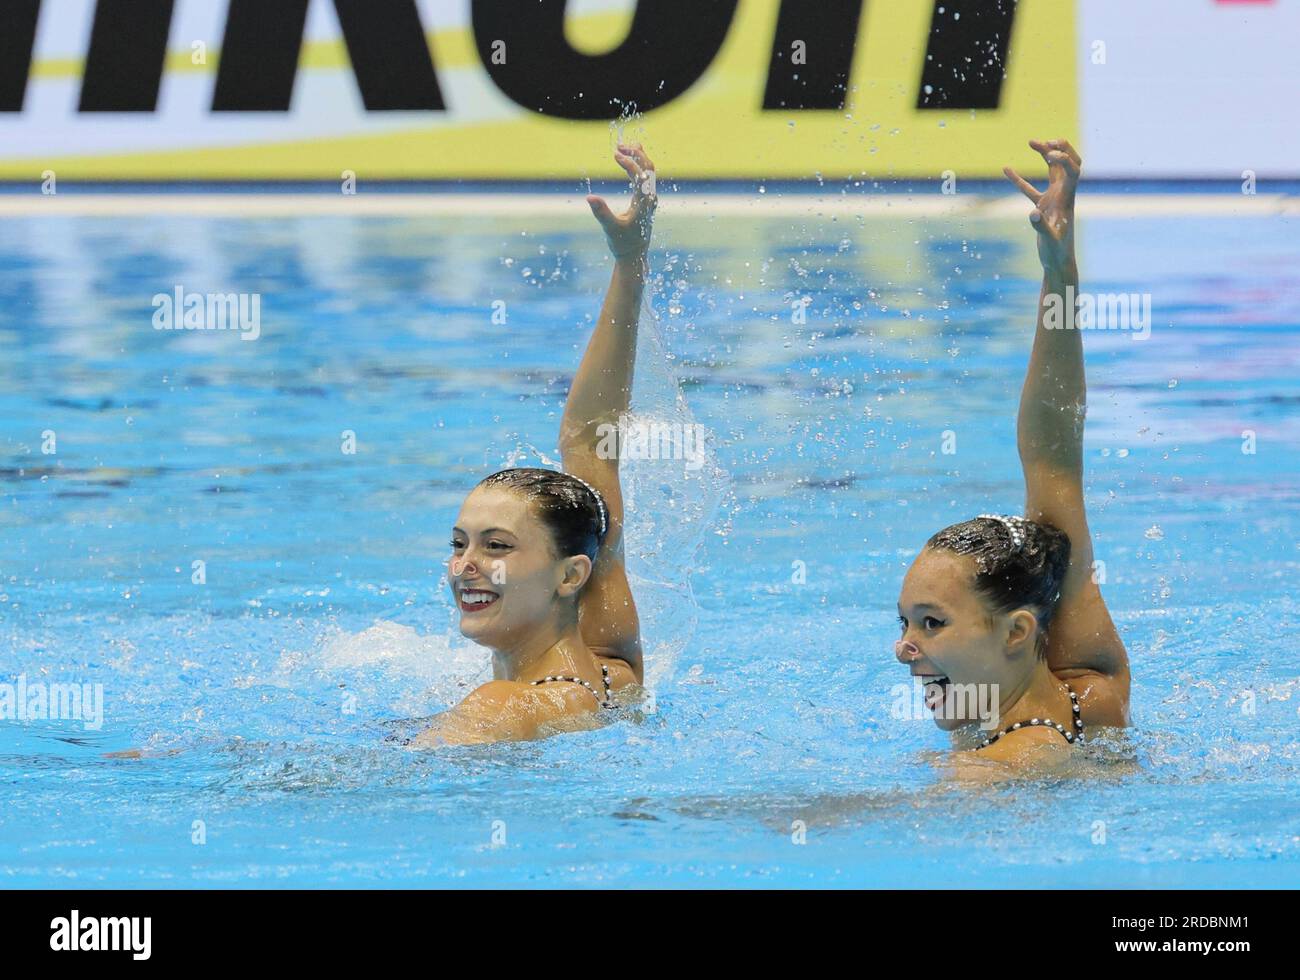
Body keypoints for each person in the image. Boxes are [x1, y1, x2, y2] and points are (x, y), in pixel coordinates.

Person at [894, 139, 1131, 770]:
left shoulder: (1006, 764)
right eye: (906, 623)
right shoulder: (1087, 682)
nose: (904, 649)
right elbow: (1054, 446)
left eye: (931, 624)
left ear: (1019, 632)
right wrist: (1059, 272)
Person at [412, 144, 659, 746]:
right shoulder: (612, 673)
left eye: (497, 545)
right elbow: (589, 439)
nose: (465, 565)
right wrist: (630, 263)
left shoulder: (500, 707)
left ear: (571, 575)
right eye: (459, 542)